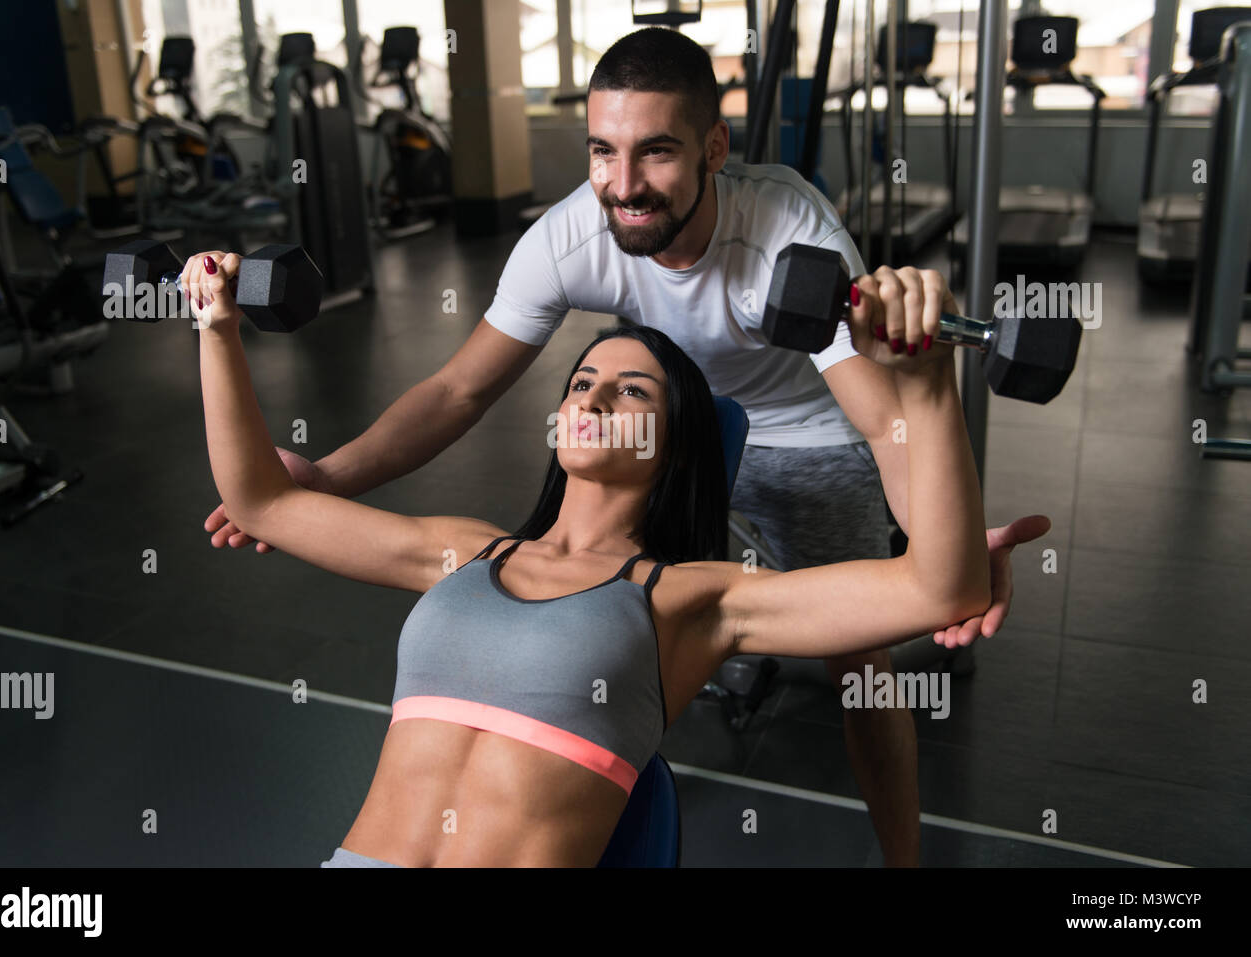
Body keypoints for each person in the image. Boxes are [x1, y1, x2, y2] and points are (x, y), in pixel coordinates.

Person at [199, 27, 1048, 866]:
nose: (624, 184)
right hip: (665, 427)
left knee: (858, 661)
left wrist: (943, 532)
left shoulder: (790, 235)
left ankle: (904, 856)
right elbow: (458, 390)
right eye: (603, 151)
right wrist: (329, 475)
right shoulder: (569, 240)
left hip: (805, 426)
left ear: (716, 147)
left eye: (657, 153)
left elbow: (883, 423)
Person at [183, 242, 994, 867]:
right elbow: (264, 501)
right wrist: (216, 328)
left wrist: (927, 390)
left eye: (632, 391)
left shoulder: (694, 597)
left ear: (673, 446)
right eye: (580, 381)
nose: (593, 396)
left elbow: (939, 587)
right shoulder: (462, 551)